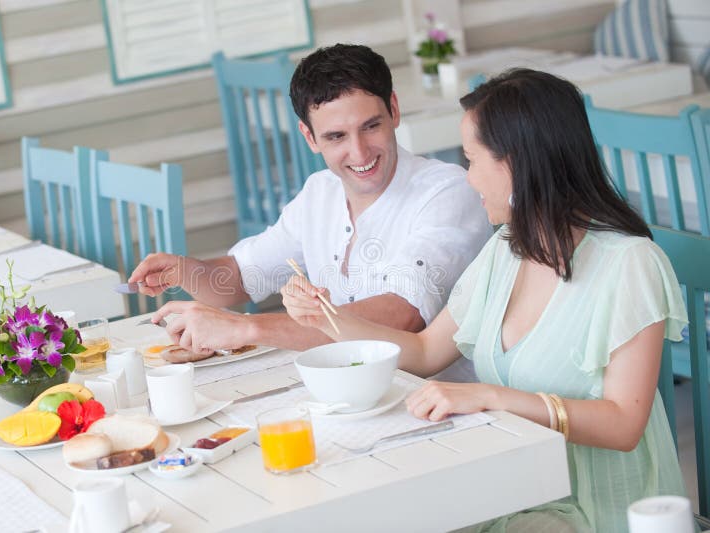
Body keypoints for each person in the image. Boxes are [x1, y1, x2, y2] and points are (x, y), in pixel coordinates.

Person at [281, 68, 688, 532]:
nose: (468, 179)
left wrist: (491, 396)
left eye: (472, 161)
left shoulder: (630, 263)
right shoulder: (506, 249)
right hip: (515, 486)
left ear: (515, 163)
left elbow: (622, 425)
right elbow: (426, 351)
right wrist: (325, 316)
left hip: (597, 508)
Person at [129, 44, 491, 364]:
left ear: (393, 110)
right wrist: (185, 272)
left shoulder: (447, 192)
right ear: (310, 137)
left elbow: (402, 315)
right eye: (336, 136)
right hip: (347, 391)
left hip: (437, 401)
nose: (359, 152)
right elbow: (241, 278)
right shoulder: (320, 192)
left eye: (370, 126)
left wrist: (246, 328)